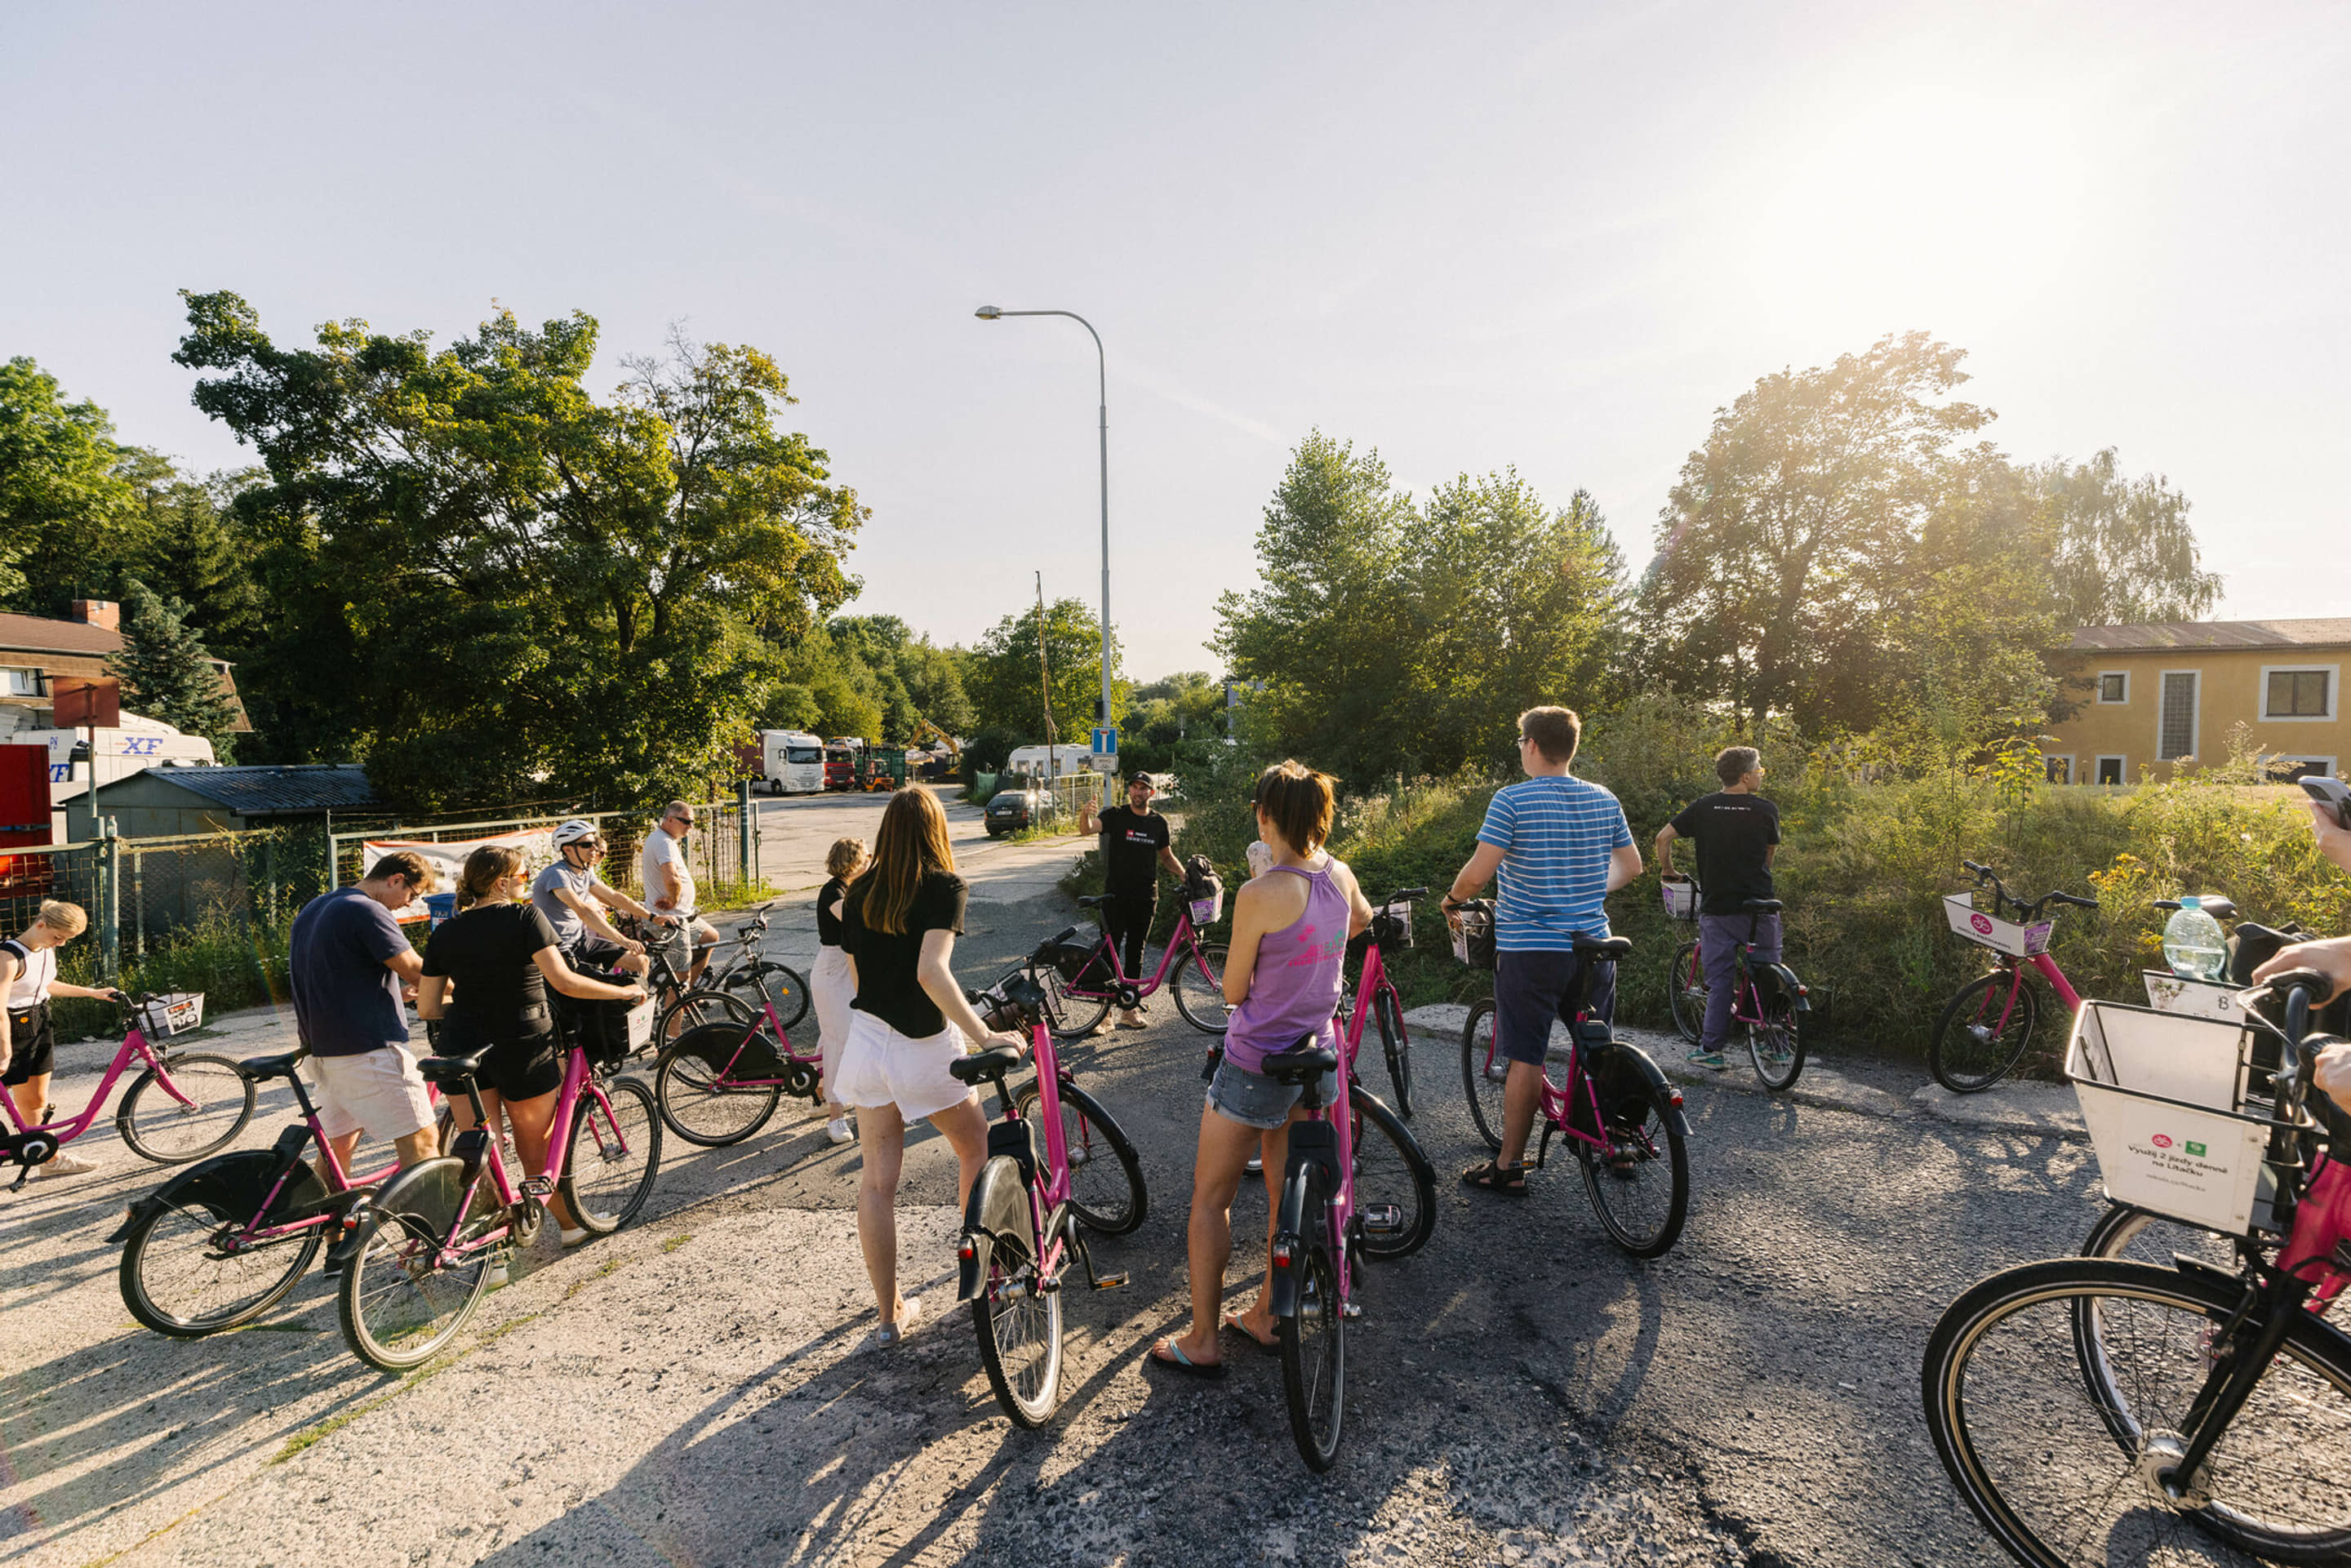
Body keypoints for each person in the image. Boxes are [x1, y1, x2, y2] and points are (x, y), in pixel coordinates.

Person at [1151, 762, 1371, 1379]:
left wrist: (1262, 890)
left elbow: (1233, 987)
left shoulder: (1258, 893)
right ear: (1320, 817)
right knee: (1283, 1192)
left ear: (1264, 816)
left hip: (1254, 1062)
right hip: (1314, 1057)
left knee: (1211, 1198)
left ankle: (1201, 1339)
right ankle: (1269, 1319)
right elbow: (1360, 920)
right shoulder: (1341, 873)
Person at [833, 787, 1023, 1346]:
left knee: (877, 1182)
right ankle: (983, 1280)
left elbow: (857, 978)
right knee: (975, 1146)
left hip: (867, 1044)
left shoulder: (858, 890)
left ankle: (889, 1318)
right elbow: (931, 972)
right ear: (937, 828)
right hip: (923, 1045)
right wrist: (984, 1032)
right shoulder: (944, 886)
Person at [1442, 706, 1641, 1196]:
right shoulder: (1603, 798)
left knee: (1526, 1057)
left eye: (1519, 743)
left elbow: (1477, 874)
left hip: (1531, 948)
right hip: (1595, 947)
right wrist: (1589, 890)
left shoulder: (1512, 801)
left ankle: (1509, 1166)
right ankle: (1615, 1140)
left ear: (1531, 745)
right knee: (1597, 1044)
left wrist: (1452, 900)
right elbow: (1632, 866)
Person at [417, 845, 645, 1252]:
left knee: (480, 1145)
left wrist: (471, 1005)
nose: (526, 886)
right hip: (521, 1042)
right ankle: (567, 1225)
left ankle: (492, 1237)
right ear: (502, 883)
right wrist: (620, 992)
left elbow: (429, 1007)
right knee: (533, 1141)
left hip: (462, 1046)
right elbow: (563, 982)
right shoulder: (525, 917)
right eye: (523, 878)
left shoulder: (446, 931)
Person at [286, 854, 443, 1188]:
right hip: (369, 1050)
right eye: (412, 895)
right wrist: (466, 990)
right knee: (423, 1141)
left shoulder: (316, 907)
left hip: (325, 1051)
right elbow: (419, 971)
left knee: (337, 1151)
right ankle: (433, 1238)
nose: (408, 905)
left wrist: (397, 995)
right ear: (395, 879)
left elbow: (331, 978)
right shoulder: (368, 910)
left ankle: (332, 1235)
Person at [1655, 746, 1781, 1070]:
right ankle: (1776, 1045)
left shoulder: (1703, 808)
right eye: (1759, 769)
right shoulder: (1766, 809)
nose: (1761, 773)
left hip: (1720, 908)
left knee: (1721, 979)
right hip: (1761, 906)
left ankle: (1711, 1050)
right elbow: (1768, 858)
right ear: (1744, 776)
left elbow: (1662, 838)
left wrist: (1668, 871)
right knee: (1766, 971)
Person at [0, 901, 128, 1179]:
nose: (60, 944)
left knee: (36, 1100)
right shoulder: (8, 957)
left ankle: (49, 1159)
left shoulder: (44, 951)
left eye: (66, 940)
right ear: (41, 924)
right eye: (58, 937)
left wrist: (91, 992)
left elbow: (44, 985)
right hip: (8, 1027)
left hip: (39, 1023)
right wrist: (4, 1048)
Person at [1078, 773, 1187, 1032]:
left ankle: (1128, 1009)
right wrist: (1084, 814)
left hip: (1146, 896)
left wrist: (1184, 874)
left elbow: (1167, 857)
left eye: (1143, 789)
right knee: (1109, 951)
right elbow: (1087, 829)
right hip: (1115, 897)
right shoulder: (1116, 815)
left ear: (1151, 793)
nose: (1138, 792)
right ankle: (1104, 1016)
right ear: (1129, 790)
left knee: (1136, 952)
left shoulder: (1158, 823)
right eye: (1135, 787)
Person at [531, 820, 657, 979]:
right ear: (567, 848)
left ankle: (642, 1002)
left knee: (640, 961)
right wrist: (623, 941)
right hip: (559, 948)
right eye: (586, 844)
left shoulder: (585, 873)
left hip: (581, 940)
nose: (594, 848)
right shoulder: (556, 874)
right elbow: (584, 912)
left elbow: (613, 897)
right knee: (601, 988)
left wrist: (653, 916)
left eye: (594, 843)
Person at [811, 835, 868, 1146]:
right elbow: (858, 921)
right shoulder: (833, 891)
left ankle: (818, 1095)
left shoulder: (849, 889)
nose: (869, 863)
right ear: (853, 862)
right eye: (866, 858)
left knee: (835, 1034)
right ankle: (836, 1117)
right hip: (833, 970)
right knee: (838, 1041)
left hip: (847, 969)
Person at [642, 800, 720, 987]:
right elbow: (671, 877)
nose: (690, 827)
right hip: (672, 920)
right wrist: (673, 899)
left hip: (682, 915)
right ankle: (678, 1005)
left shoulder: (665, 839)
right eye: (686, 821)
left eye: (692, 822)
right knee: (680, 979)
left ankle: (690, 992)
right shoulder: (663, 843)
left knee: (710, 936)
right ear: (669, 820)